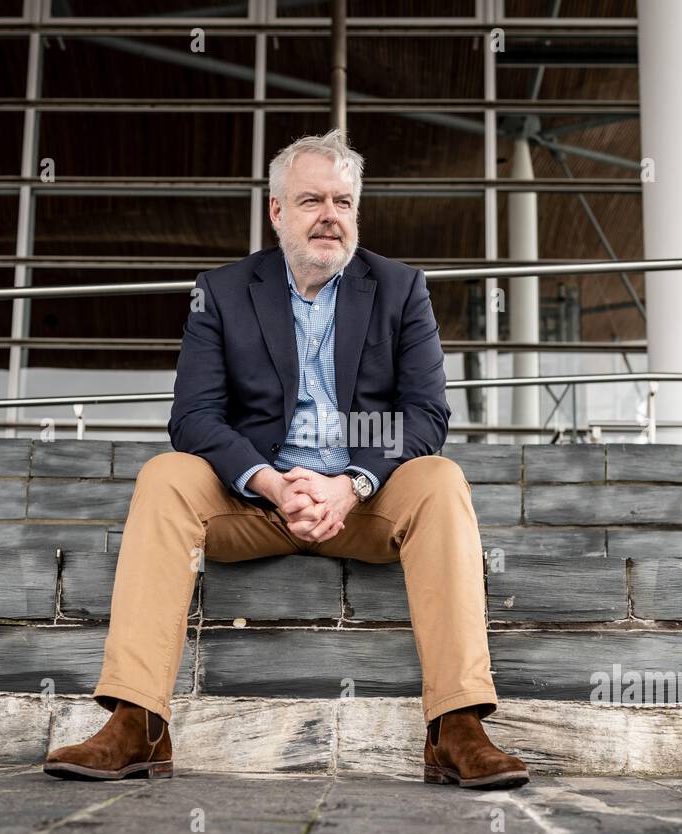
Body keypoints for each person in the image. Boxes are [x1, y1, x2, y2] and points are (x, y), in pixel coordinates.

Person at [43, 129, 529, 790]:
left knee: (441, 480)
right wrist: (271, 483)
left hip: (364, 505)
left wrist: (352, 485)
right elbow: (194, 416)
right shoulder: (221, 291)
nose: (329, 214)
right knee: (164, 477)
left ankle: (456, 728)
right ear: (277, 212)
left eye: (342, 201)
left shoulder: (400, 289)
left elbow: (426, 416)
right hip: (254, 503)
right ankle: (139, 724)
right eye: (310, 200)